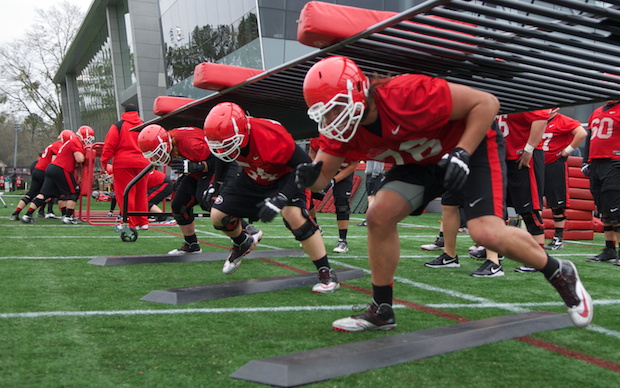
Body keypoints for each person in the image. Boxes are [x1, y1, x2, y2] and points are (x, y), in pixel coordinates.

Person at [296, 55, 592, 331]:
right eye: (325, 112)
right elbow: (321, 181)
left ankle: (558, 271)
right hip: (420, 162)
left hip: (468, 148)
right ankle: (382, 308)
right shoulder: (339, 129)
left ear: (359, 91)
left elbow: (487, 103)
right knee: (379, 215)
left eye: (337, 106)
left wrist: (462, 152)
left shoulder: (405, 94)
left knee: (485, 233)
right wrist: (305, 176)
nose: (334, 118)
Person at [203, 102, 340, 293]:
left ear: (242, 133)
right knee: (218, 215)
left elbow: (305, 166)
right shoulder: (230, 138)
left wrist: (282, 197)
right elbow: (222, 153)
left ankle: (326, 272)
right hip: (254, 176)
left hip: (287, 176)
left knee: (294, 216)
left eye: (226, 143)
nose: (223, 149)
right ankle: (243, 242)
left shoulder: (271, 136)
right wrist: (214, 186)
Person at [139, 124, 223, 253]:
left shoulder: (191, 144)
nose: (156, 159)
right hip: (195, 172)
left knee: (207, 199)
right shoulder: (170, 145)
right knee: (178, 204)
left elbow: (220, 160)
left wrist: (198, 166)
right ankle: (191, 244)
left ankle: (244, 233)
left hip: (216, 169)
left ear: (166, 144)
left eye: (157, 153)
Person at [497, 110, 549, 273]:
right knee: (498, 207)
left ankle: (539, 257)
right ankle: (496, 249)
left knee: (529, 209)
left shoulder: (524, 96)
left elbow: (540, 120)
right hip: (503, 158)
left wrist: (529, 149)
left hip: (521, 158)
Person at [22, 126, 95, 224]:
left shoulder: (72, 143)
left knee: (43, 194)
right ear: (83, 135)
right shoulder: (75, 142)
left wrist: (80, 176)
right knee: (74, 192)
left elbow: (77, 165)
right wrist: (85, 154)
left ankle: (27, 215)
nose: (88, 141)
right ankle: (68, 217)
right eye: (88, 138)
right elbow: (80, 159)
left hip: (52, 168)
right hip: (61, 169)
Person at [581, 100, 620, 264]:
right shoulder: (596, 112)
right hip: (596, 164)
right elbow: (589, 137)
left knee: (616, 210)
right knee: (603, 210)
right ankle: (609, 249)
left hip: (613, 162)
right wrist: (585, 161)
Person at [542, 108, 587, 250]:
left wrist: (567, 151)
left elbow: (582, 133)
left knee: (557, 202)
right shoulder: (538, 120)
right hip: (536, 163)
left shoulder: (563, 120)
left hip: (554, 163)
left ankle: (558, 238)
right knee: (533, 201)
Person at [101, 104, 150, 230]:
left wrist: (103, 163)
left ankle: (129, 222)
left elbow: (109, 146)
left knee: (126, 193)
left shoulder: (118, 126)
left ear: (124, 112)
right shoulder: (145, 126)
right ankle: (143, 222)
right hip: (143, 163)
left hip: (123, 163)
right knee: (141, 193)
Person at [309, 137, 358, 253]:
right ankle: (315, 228)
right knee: (307, 195)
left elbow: (352, 165)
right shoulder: (322, 136)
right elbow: (312, 152)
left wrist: (333, 181)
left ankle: (342, 240)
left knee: (342, 203)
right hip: (325, 170)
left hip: (344, 172)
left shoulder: (355, 140)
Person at [9, 131, 71, 221]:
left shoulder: (53, 144)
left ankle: (15, 214)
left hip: (37, 169)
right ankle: (63, 215)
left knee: (30, 195)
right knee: (56, 193)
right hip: (45, 171)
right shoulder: (59, 146)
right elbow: (54, 162)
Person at [358, 160, 385, 227]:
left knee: (372, 198)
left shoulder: (376, 152)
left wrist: (374, 175)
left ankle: (371, 220)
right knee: (372, 198)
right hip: (372, 175)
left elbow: (377, 165)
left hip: (374, 176)